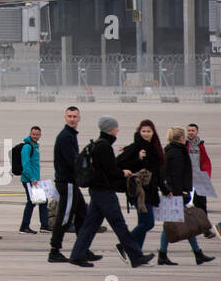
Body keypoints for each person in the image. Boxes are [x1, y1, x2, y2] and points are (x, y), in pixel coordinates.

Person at [68, 117, 154, 268]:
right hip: (104, 192)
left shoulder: (98, 144)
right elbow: (110, 170)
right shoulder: (104, 146)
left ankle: (77, 256)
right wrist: (123, 173)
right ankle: (136, 256)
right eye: (116, 127)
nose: (118, 129)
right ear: (110, 129)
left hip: (97, 191)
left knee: (90, 225)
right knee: (119, 224)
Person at [159, 126, 213, 265]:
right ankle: (195, 253)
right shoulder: (177, 153)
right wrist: (182, 192)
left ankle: (167, 254)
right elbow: (176, 175)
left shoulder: (172, 150)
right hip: (175, 193)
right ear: (182, 138)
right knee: (179, 224)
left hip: (172, 192)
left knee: (176, 224)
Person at [48, 106, 90, 263]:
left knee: (82, 215)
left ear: (79, 118)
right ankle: (54, 251)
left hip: (71, 183)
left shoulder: (70, 135)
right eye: (69, 116)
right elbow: (74, 162)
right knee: (64, 217)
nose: (72, 119)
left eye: (75, 116)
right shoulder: (66, 137)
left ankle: (83, 249)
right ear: (65, 118)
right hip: (67, 183)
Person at [116, 119, 164, 253]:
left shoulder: (155, 149)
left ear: (153, 133)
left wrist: (165, 189)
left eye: (149, 131)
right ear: (139, 132)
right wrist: (138, 159)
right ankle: (125, 244)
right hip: (139, 192)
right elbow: (119, 163)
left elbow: (158, 172)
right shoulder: (135, 147)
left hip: (151, 191)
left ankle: (137, 253)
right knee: (148, 223)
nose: (146, 134)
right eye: (143, 131)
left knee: (143, 223)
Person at [19, 125, 50, 234]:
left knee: (42, 201)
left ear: (40, 135)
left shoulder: (35, 146)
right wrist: (32, 178)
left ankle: (44, 226)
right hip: (29, 180)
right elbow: (25, 165)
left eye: (37, 135)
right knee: (33, 202)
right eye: (33, 134)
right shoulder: (28, 147)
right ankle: (25, 227)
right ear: (30, 134)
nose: (35, 136)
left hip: (35, 180)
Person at [185, 123, 217, 215]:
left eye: (193, 130)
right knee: (186, 203)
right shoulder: (183, 144)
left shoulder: (200, 146)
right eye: (189, 130)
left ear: (197, 132)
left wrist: (206, 175)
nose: (190, 132)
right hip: (187, 178)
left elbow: (205, 161)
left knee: (201, 204)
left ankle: (203, 225)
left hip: (199, 177)